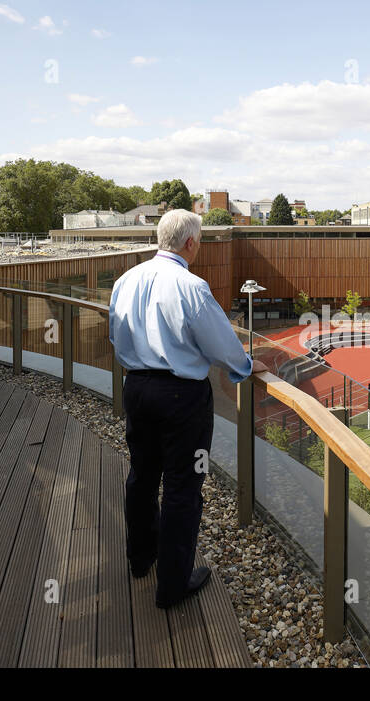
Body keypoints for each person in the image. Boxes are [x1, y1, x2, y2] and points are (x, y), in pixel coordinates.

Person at [110, 209, 262, 609]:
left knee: (142, 476)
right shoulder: (191, 286)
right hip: (181, 399)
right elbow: (219, 343)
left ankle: (140, 559)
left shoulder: (126, 280)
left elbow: (116, 333)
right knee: (182, 487)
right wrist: (244, 366)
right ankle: (172, 585)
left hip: (137, 388)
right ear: (191, 243)